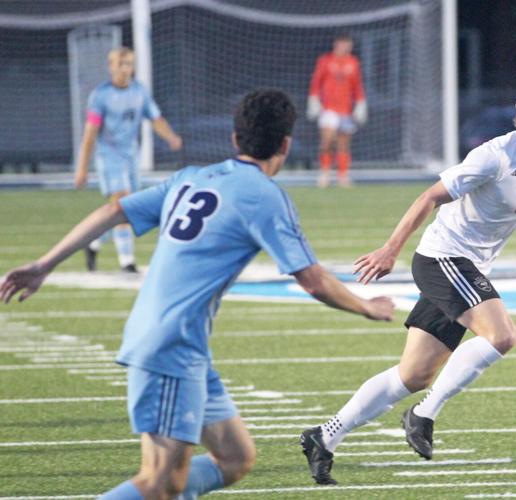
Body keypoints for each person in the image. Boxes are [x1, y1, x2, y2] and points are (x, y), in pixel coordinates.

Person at [1, 89, 394, 499]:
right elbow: (312, 280)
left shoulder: (191, 177)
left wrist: (43, 264)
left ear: (235, 139)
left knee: (235, 458)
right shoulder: (264, 195)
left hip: (179, 344)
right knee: (158, 481)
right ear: (285, 145)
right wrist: (365, 306)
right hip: (171, 343)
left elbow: (113, 210)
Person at [299, 76, 516, 485]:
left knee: (412, 375)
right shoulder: (493, 157)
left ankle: (324, 437)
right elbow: (429, 197)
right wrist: (390, 249)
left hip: (466, 267)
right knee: (502, 335)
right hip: (443, 260)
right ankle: (423, 414)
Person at [74, 47, 183, 273]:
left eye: (129, 64)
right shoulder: (100, 96)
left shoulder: (139, 92)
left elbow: (156, 118)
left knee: (124, 209)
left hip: (131, 156)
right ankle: (127, 262)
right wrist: (82, 168)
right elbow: (90, 134)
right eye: (121, 64)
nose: (125, 69)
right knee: (122, 202)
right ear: (111, 67)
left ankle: (93, 242)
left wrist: (171, 136)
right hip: (109, 156)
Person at [307, 34, 368, 188]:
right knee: (327, 141)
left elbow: (357, 85)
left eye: (347, 45)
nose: (345, 48)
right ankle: (325, 173)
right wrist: (314, 99)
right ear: (336, 45)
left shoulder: (353, 63)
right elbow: (316, 81)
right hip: (329, 109)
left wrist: (360, 103)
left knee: (343, 144)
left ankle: (343, 175)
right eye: (342, 44)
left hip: (346, 110)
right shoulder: (325, 61)